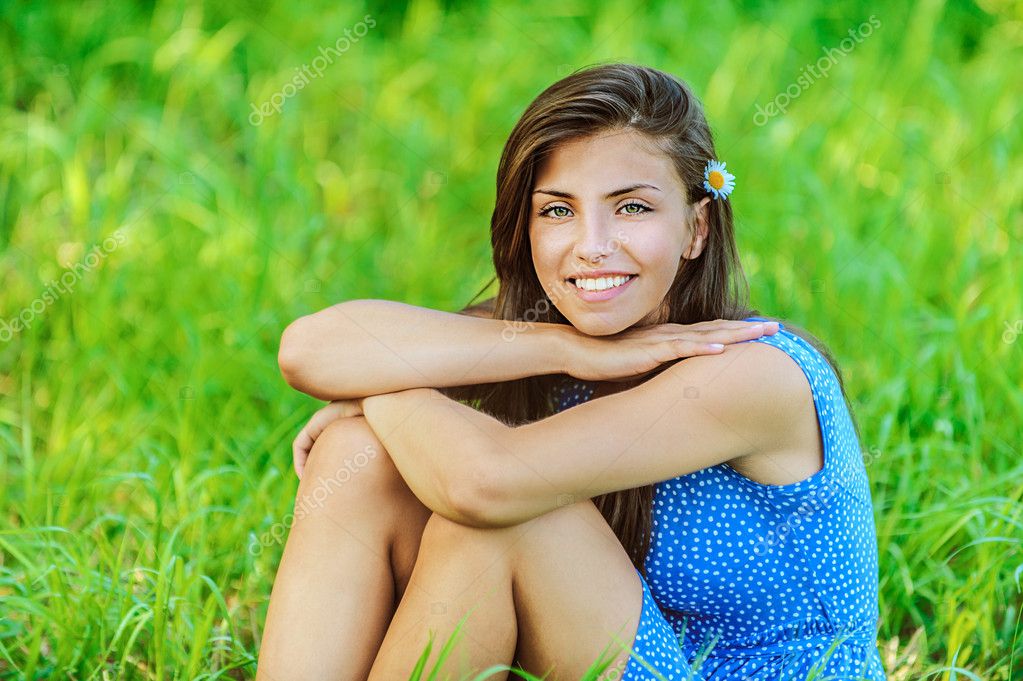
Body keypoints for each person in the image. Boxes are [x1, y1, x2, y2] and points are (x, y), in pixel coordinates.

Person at [256, 63, 886, 680]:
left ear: (696, 227)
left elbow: (485, 485)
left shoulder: (754, 373)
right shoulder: (552, 338)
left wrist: (382, 393)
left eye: (632, 207)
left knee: (512, 517)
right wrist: (562, 349)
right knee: (354, 452)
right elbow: (309, 350)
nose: (593, 244)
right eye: (558, 210)